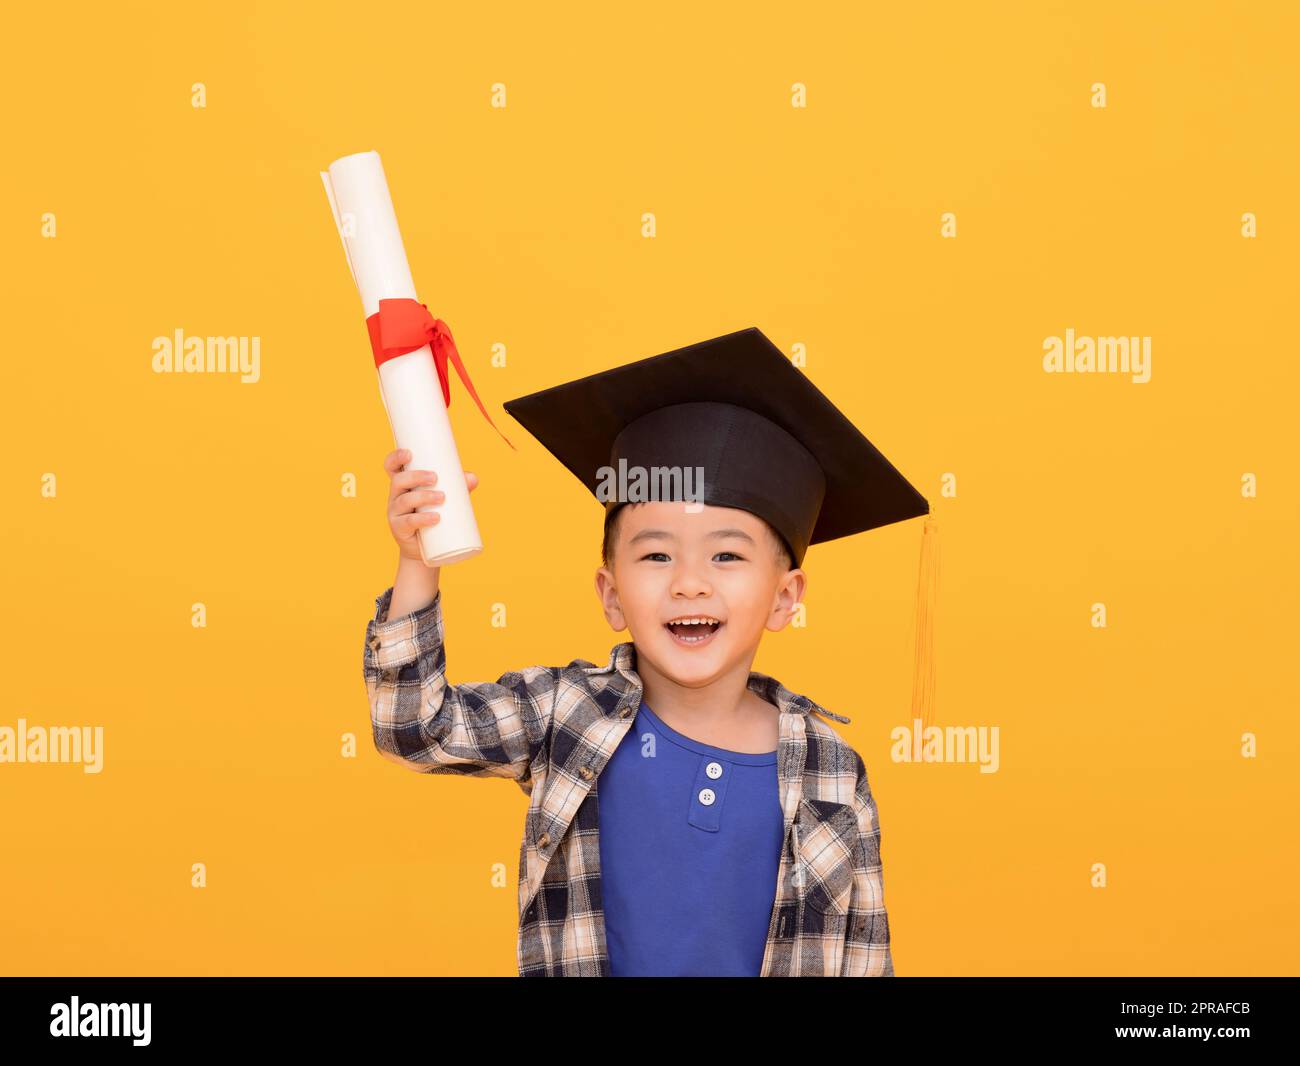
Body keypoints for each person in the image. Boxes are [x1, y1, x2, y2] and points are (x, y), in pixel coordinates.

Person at [363, 326, 932, 976]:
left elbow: (864, 959)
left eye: (727, 555)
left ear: (784, 598)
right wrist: (418, 562)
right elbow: (412, 729)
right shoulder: (564, 715)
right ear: (611, 595)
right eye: (657, 554)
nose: (690, 581)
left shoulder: (832, 772)